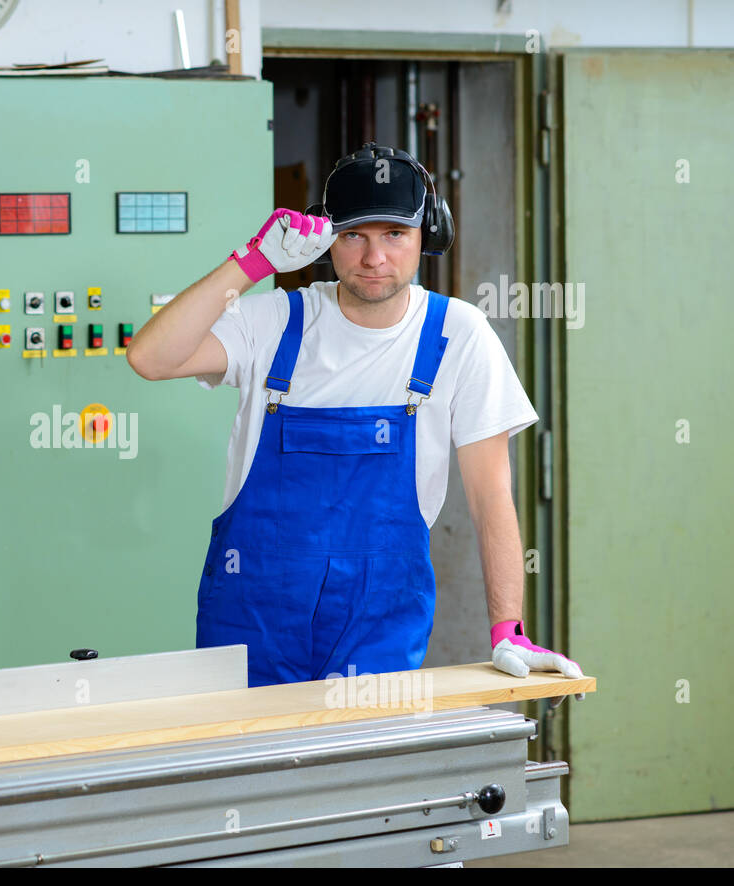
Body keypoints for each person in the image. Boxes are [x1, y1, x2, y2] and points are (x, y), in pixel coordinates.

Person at [126, 143, 585, 689]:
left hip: (378, 625)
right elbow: (149, 357)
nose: (374, 259)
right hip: (251, 620)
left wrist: (507, 627)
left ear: (426, 236)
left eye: (395, 234)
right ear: (326, 238)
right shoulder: (275, 320)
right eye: (354, 236)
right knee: (248, 773)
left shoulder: (457, 335)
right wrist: (252, 264)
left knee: (361, 773)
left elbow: (491, 498)